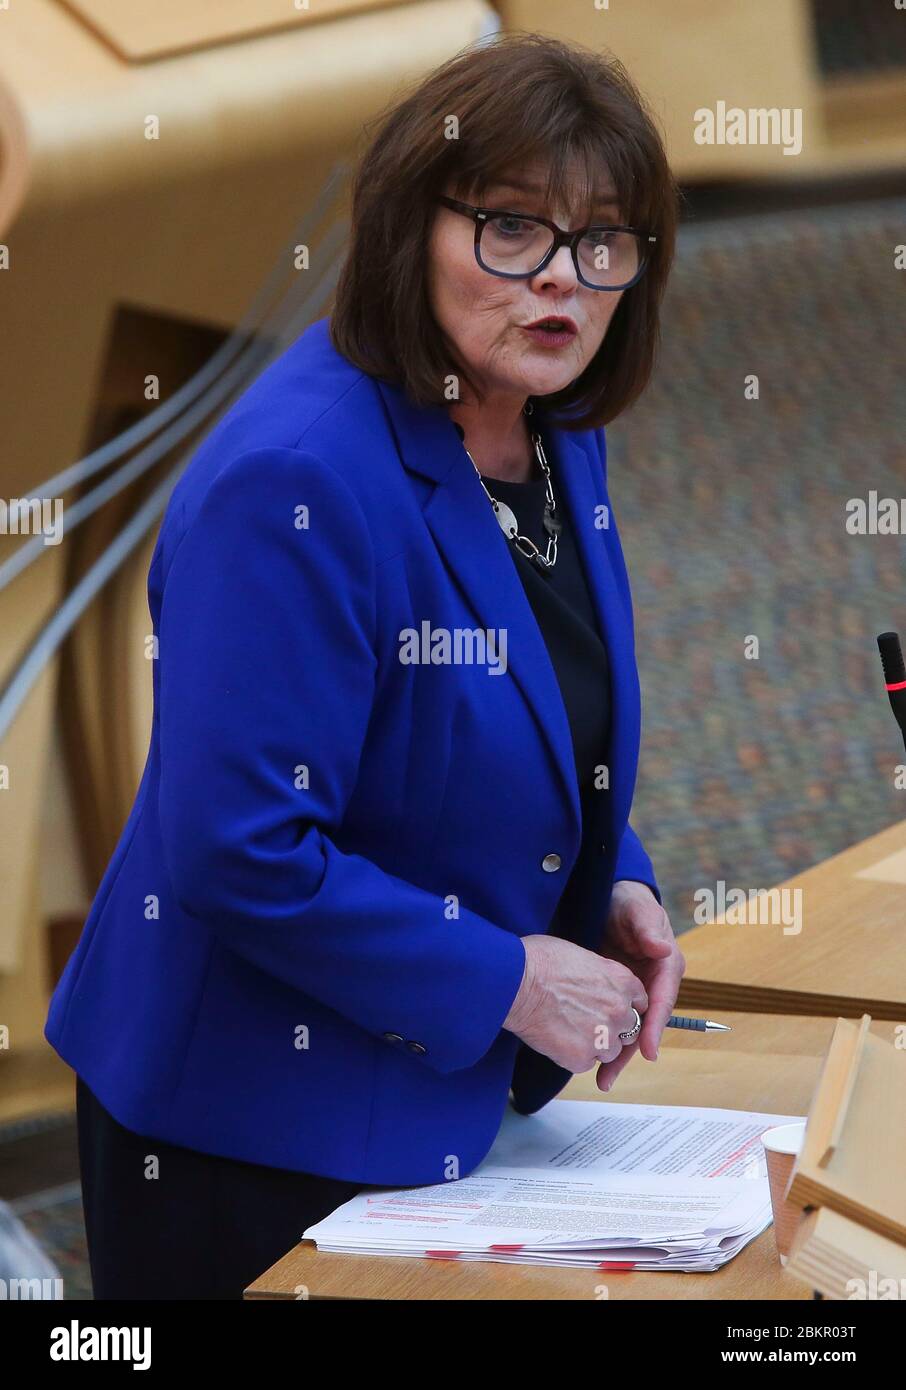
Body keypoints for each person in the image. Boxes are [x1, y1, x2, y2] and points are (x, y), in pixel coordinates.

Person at [46, 31, 685, 1299]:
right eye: (512, 229)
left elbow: (535, 719)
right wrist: (507, 975)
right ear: (411, 229)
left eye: (603, 241)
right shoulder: (297, 485)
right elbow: (240, 846)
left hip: (437, 1106)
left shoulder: (545, 428)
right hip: (244, 1138)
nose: (561, 280)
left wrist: (612, 872)